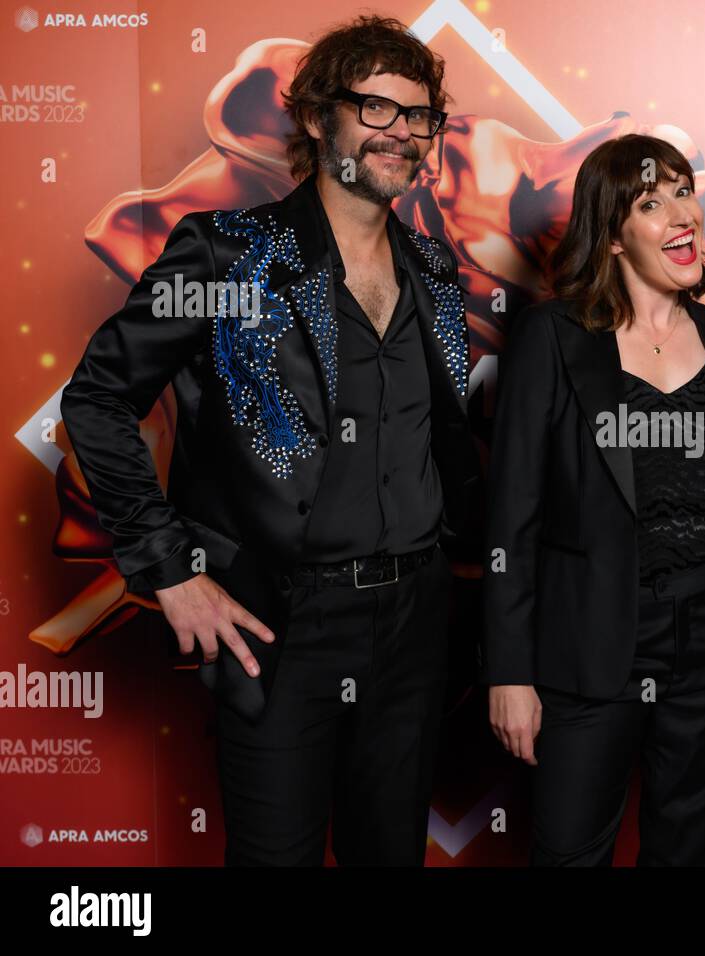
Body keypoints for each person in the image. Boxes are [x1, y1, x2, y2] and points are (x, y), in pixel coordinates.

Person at [60, 15, 481, 865]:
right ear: (320, 119)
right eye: (376, 109)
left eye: (420, 116)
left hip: (415, 623)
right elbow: (98, 397)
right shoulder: (225, 259)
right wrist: (170, 569)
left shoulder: (437, 270)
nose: (403, 133)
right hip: (277, 622)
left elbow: (448, 442)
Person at [482, 133, 705, 866]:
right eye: (650, 203)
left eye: (683, 193)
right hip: (593, 631)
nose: (680, 216)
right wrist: (508, 671)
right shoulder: (550, 337)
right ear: (615, 235)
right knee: (570, 849)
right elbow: (512, 515)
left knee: (690, 847)